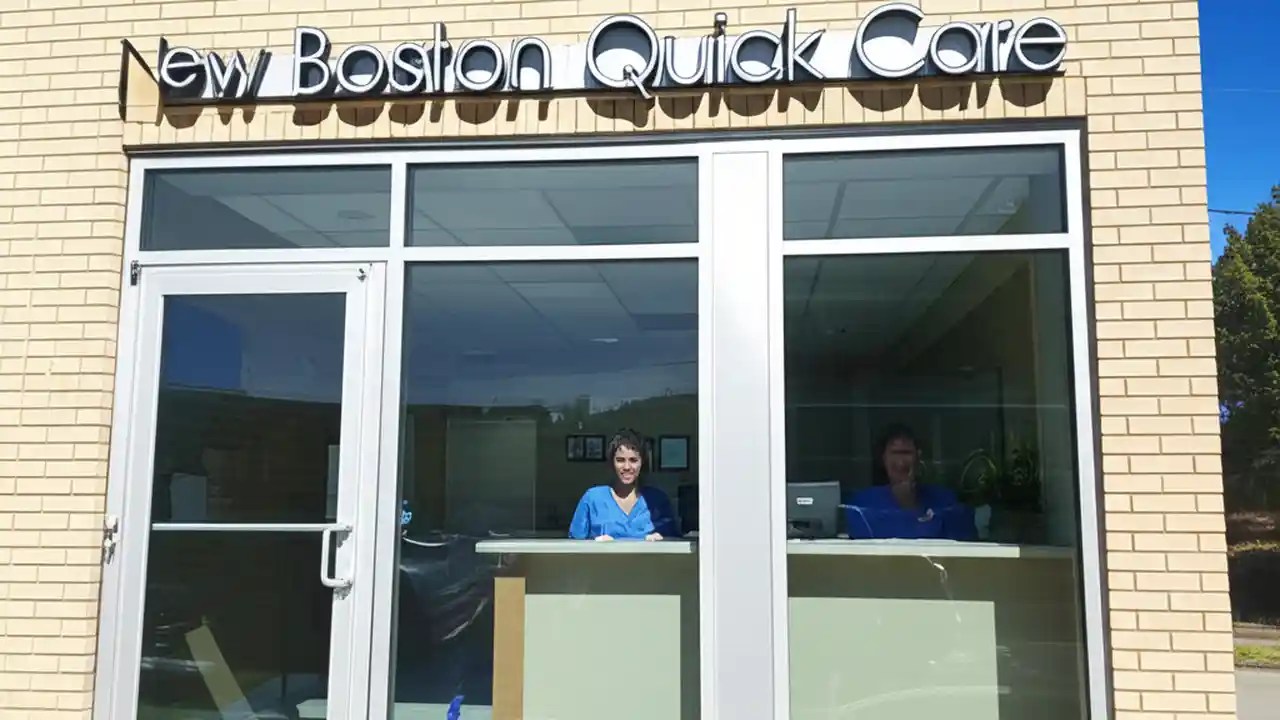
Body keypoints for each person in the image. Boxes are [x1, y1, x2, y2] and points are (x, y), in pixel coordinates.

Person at [844, 424, 976, 541]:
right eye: (895, 453)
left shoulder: (946, 500)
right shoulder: (862, 504)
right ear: (883, 458)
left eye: (906, 453)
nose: (901, 463)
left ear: (918, 458)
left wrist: (910, 504)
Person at [568, 428, 679, 542]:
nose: (627, 467)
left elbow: (677, 544)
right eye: (620, 460)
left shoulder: (657, 500)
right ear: (612, 463)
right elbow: (574, 545)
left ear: (642, 463)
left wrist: (662, 540)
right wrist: (594, 544)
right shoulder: (593, 499)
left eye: (633, 460)